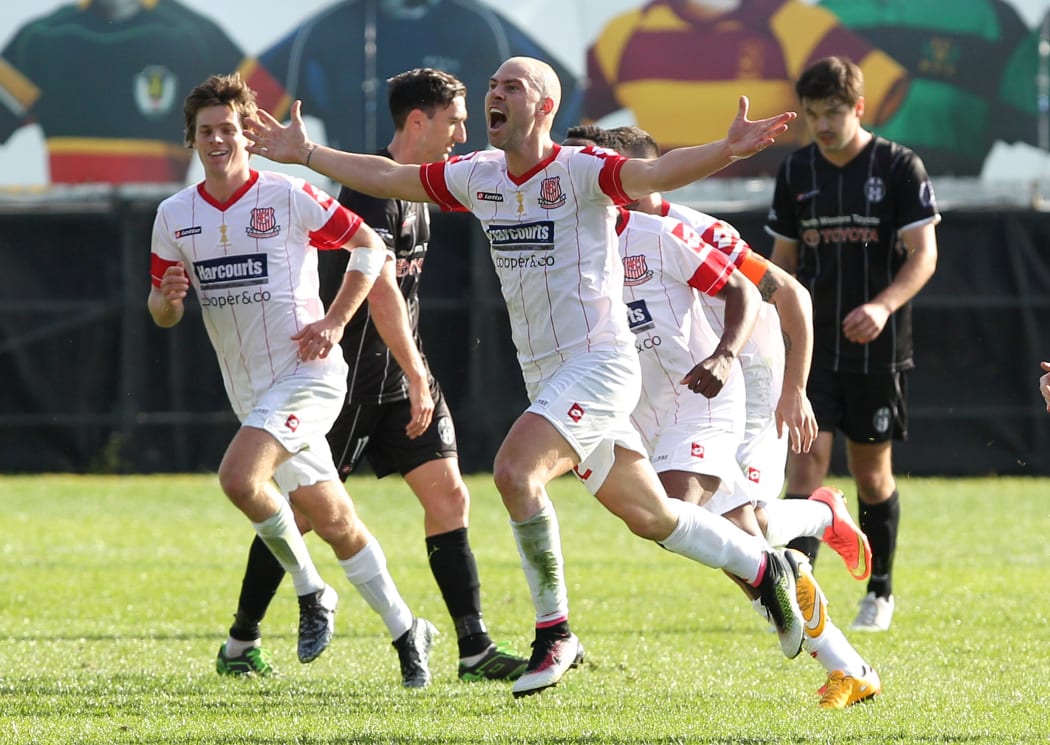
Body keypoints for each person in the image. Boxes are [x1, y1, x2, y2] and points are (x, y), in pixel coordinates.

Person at [243, 55, 809, 699]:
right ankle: (764, 567)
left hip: (600, 366)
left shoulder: (580, 170)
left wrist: (725, 151)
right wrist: (308, 153)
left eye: (512, 86)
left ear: (544, 107)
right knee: (654, 515)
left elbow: (656, 170)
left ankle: (555, 633)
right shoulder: (480, 176)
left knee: (515, 471)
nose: (495, 93)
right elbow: (393, 175)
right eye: (492, 85)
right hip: (548, 377)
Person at [217, 67, 528, 684]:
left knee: (449, 496)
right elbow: (382, 288)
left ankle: (473, 648)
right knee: (306, 513)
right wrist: (417, 371)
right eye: (455, 120)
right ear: (419, 121)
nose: (463, 133)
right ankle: (241, 639)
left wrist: (413, 374)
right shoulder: (367, 192)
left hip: (400, 378)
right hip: (346, 384)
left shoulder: (418, 190)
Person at [567, 123, 880, 709]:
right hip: (673, 385)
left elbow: (790, 294)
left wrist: (795, 388)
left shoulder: (687, 230)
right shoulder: (593, 235)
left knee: (702, 517)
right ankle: (845, 657)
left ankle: (808, 533)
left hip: (744, 376)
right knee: (742, 540)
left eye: (602, 170)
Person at [149, 73, 435, 687]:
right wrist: (168, 299)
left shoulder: (284, 195)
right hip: (249, 393)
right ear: (192, 140)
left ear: (247, 134)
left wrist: (335, 320)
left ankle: (312, 593)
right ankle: (409, 629)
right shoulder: (174, 215)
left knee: (238, 478)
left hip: (309, 378)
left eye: (229, 128)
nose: (218, 139)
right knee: (335, 521)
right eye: (207, 131)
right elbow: (162, 312)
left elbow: (370, 249)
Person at [767, 56, 940, 632]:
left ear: (859, 108)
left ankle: (880, 590)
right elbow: (782, 265)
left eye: (833, 112)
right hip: (812, 350)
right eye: (812, 114)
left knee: (870, 474)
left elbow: (924, 253)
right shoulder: (795, 172)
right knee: (805, 468)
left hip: (876, 350)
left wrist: (882, 305)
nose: (822, 124)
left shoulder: (897, 167)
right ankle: (799, 592)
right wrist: (773, 330)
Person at [583, 0, 909, 178]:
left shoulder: (788, 19)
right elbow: (573, 122)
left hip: (764, 211)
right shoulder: (624, 33)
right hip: (664, 217)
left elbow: (886, 93)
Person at [0, 0, 285, 184]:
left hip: (163, 223)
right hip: (67, 228)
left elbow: (260, 117)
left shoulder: (192, 35)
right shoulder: (40, 39)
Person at [257, 0, 581, 156]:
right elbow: (250, 100)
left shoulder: (476, 24)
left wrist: (530, 161)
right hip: (361, 190)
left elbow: (563, 88)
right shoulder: (328, 28)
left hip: (454, 196)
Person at [818, 0, 1041, 177]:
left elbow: (1038, 122)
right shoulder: (822, 18)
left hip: (953, 223)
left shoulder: (991, 20)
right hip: (833, 220)